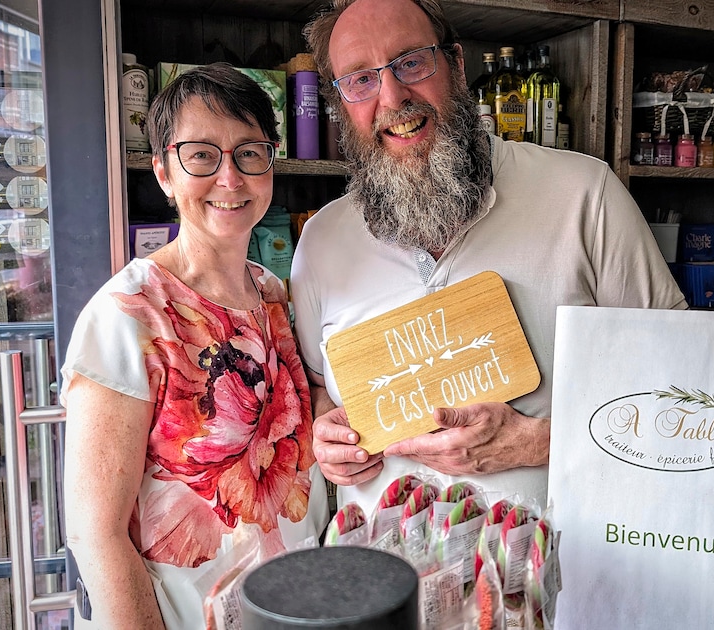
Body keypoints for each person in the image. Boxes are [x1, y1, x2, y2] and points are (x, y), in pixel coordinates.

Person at [292, 0, 687, 512]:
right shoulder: (321, 240)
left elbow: (682, 387)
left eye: (411, 62)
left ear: (456, 64)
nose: (392, 96)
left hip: (557, 578)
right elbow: (322, 386)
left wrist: (536, 442)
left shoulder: (585, 195)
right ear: (341, 101)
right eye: (360, 80)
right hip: (377, 581)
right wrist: (328, 436)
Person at [61, 64, 327, 630]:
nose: (230, 179)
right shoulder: (128, 315)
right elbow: (96, 532)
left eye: (249, 153)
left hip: (297, 607)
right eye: (201, 155)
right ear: (163, 172)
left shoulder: (273, 294)